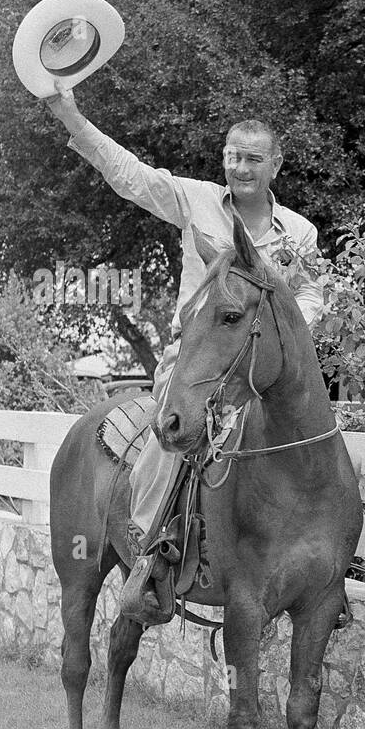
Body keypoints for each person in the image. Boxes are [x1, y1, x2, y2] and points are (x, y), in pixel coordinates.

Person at [45, 87, 328, 626]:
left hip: (262, 371)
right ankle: (150, 558)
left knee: (315, 445)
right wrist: (71, 115)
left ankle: (320, 569)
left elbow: (311, 295)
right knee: (171, 436)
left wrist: (293, 331)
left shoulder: (301, 234)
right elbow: (129, 175)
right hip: (195, 366)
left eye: (251, 157)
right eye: (231, 155)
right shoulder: (192, 199)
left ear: (276, 163)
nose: (239, 167)